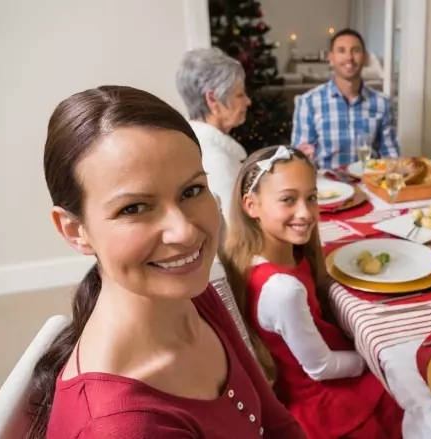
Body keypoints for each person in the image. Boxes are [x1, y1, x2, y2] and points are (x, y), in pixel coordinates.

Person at [27, 86, 305, 439]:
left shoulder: (192, 296)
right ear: (74, 230)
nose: (185, 233)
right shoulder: (121, 427)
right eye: (133, 208)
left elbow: (278, 423)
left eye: (191, 191)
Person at [220, 145, 404, 438]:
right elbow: (320, 367)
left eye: (312, 197)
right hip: (323, 403)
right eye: (288, 200)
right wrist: (371, 360)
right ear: (250, 205)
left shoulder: (277, 255)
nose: (305, 213)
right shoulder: (282, 289)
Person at [291, 28, 400, 169]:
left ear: (365, 58)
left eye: (355, 50)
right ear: (331, 58)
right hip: (326, 186)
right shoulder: (308, 102)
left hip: (368, 184)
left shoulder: (382, 104)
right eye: (341, 51)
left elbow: (390, 155)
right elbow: (300, 159)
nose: (349, 57)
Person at [176, 47, 252, 217]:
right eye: (239, 94)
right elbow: (235, 235)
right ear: (212, 99)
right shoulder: (217, 161)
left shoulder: (189, 142)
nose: (248, 101)